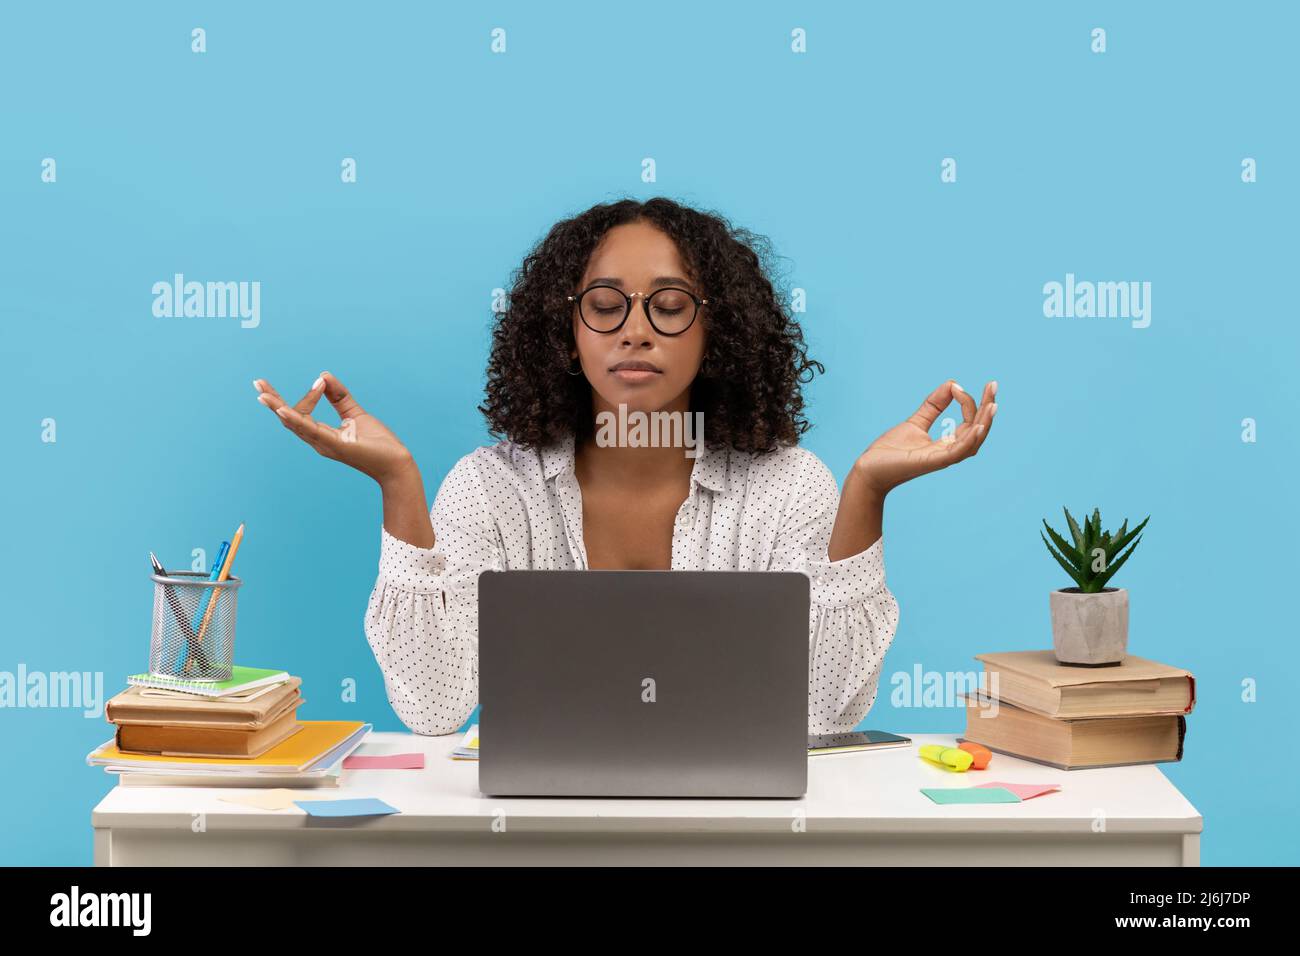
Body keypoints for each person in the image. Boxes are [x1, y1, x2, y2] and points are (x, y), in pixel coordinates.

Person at [253, 197, 997, 736]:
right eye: (605, 304)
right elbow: (432, 708)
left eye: (669, 305)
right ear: (565, 329)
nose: (635, 330)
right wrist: (398, 485)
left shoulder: (787, 486)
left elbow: (825, 712)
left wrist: (866, 490)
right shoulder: (491, 489)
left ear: (719, 330)